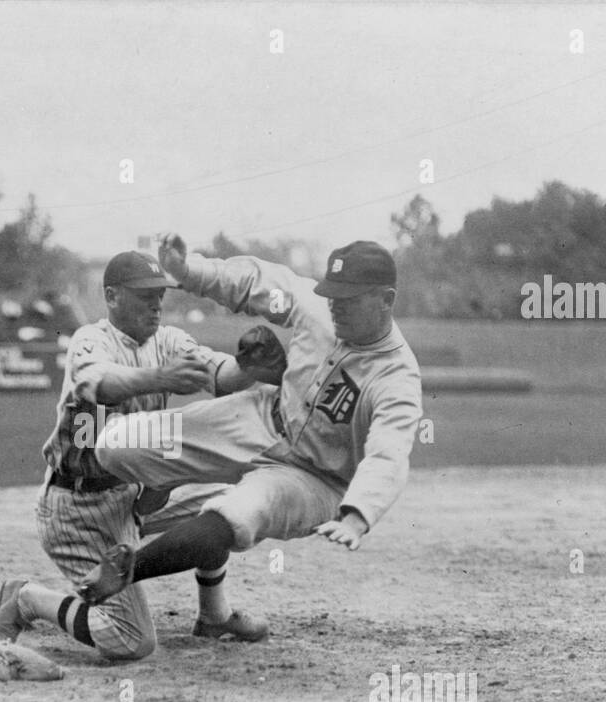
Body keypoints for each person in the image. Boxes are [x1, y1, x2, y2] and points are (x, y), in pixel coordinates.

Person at [75, 235, 423, 628]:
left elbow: (388, 453)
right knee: (115, 443)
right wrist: (188, 271)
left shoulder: (396, 376)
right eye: (333, 294)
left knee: (236, 517)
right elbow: (251, 282)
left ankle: (126, 570)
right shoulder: (318, 308)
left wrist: (358, 516)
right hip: (257, 420)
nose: (336, 306)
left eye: (349, 298)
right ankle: (174, 480)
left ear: (386, 299)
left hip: (311, 479)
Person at [0, 250, 269, 661]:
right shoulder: (91, 339)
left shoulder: (170, 340)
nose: (156, 304)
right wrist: (159, 378)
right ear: (112, 296)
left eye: (160, 294)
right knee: (131, 641)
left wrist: (251, 367)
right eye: (144, 295)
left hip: (132, 496)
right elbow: (101, 385)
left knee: (223, 507)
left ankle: (214, 615)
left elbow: (219, 374)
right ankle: (28, 599)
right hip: (79, 508)